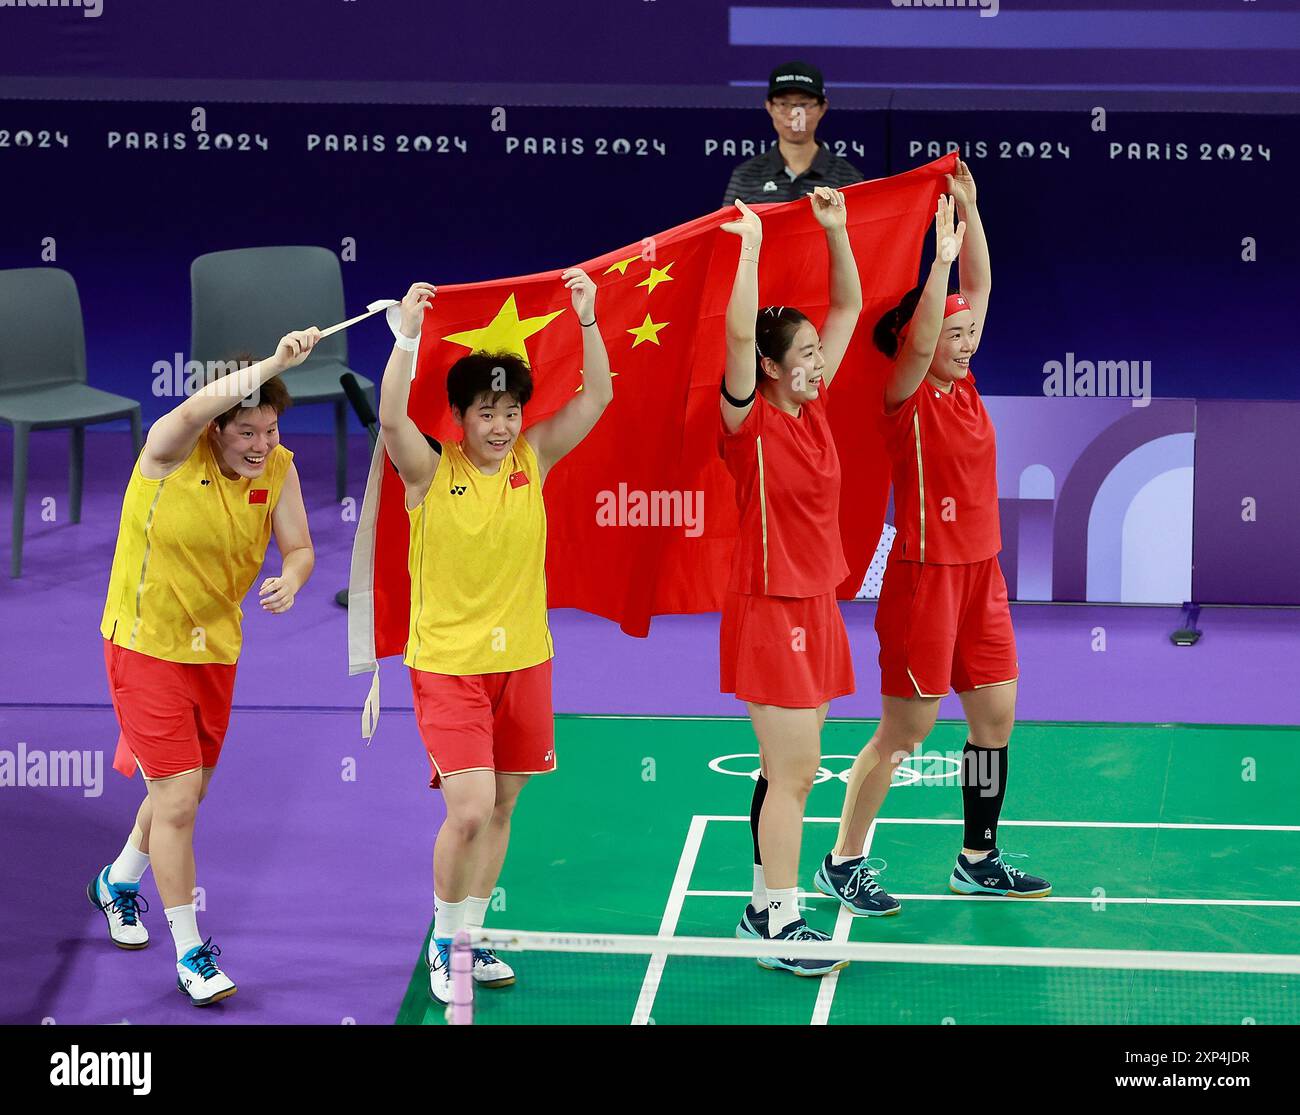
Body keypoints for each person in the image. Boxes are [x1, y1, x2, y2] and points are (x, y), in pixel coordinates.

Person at [822, 161, 1052, 915]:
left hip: (981, 574)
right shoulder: (907, 392)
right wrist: (939, 260)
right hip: (925, 578)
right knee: (905, 731)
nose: (964, 340)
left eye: (967, 333)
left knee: (995, 716)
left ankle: (977, 855)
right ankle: (844, 859)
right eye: (951, 333)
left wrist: (972, 213)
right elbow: (923, 340)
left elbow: (979, 293)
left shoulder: (968, 381)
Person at [376, 276, 613, 1004]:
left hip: (525, 660)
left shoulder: (531, 461)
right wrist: (408, 340)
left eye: (511, 411)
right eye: (488, 413)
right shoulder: (429, 470)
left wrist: (590, 321)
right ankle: (446, 940)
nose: (503, 425)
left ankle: (472, 937)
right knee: (470, 806)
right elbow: (390, 422)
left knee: (504, 805)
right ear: (459, 417)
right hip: (449, 664)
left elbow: (597, 397)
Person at [91, 330, 319, 1005]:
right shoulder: (167, 450)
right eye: (246, 430)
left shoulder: (278, 468)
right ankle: (191, 949)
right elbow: (188, 413)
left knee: (182, 796)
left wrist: (294, 577)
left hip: (216, 651)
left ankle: (116, 882)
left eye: (270, 428)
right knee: (180, 800)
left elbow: (300, 544)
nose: (261, 443)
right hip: (145, 644)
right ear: (216, 428)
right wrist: (275, 363)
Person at [718, 185, 863, 976]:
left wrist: (835, 231)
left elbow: (847, 308)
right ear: (769, 368)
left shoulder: (812, 407)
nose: (814, 364)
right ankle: (780, 920)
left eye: (815, 355)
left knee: (788, 770)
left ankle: (757, 904)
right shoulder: (750, 420)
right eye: (800, 357)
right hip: (770, 605)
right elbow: (741, 333)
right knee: (799, 773)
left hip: (818, 599)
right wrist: (748, 248)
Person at [722, 61, 865, 207]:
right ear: (769, 107)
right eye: (783, 104)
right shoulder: (745, 176)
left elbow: (859, 229)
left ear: (822, 108)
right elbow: (728, 228)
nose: (794, 115)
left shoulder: (848, 178)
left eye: (803, 105)